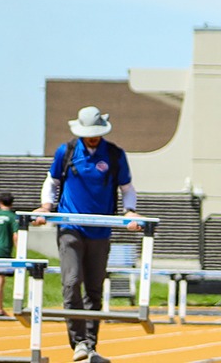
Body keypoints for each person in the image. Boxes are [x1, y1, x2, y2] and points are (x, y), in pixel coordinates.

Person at [34, 106, 142, 363]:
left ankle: (90, 344)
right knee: (71, 283)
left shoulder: (115, 155)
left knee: (94, 289)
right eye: (88, 134)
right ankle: (79, 342)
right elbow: (52, 182)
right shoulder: (67, 151)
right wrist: (46, 206)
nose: (92, 138)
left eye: (96, 134)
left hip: (100, 231)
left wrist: (129, 211)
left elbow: (127, 188)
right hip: (70, 227)